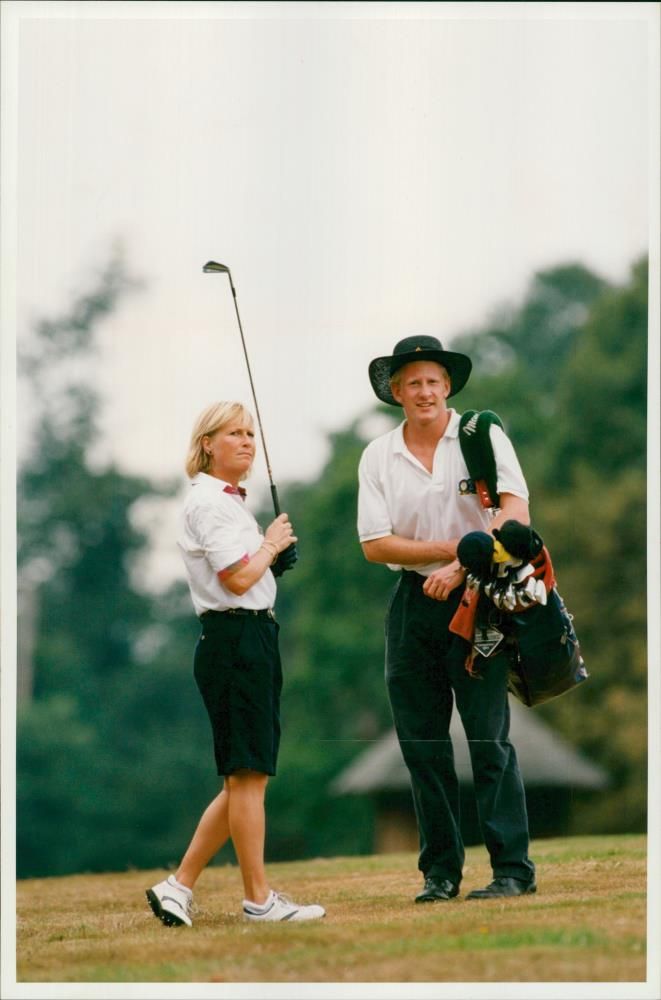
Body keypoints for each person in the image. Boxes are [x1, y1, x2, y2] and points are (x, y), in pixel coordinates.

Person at [357, 336, 536, 902]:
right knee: (422, 743)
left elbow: (515, 512)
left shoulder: (480, 436)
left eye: (433, 381)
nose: (424, 391)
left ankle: (512, 870)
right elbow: (375, 544)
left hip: (480, 594)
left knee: (488, 737)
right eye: (412, 383)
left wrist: (462, 564)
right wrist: (446, 549)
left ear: (448, 386)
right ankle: (440, 873)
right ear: (396, 392)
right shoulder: (378, 455)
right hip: (413, 603)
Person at [146, 401, 325, 926]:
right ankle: (258, 900)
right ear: (208, 444)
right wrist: (270, 547)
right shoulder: (209, 503)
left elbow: (248, 574)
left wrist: (270, 561)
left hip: (250, 638)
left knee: (245, 777)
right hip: (236, 640)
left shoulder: (229, 502)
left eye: (250, 433)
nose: (247, 441)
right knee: (247, 775)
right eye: (234, 433)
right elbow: (237, 579)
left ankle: (178, 886)